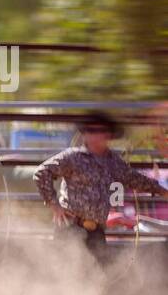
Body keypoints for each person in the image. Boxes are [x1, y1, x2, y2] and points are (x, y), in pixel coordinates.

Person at [33, 112, 168, 261]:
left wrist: (162, 190)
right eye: (90, 130)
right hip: (71, 227)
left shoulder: (113, 162)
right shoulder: (73, 157)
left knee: (96, 275)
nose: (96, 135)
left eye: (100, 131)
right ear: (84, 134)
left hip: (95, 231)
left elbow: (134, 179)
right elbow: (42, 173)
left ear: (108, 135)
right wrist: (54, 204)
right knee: (66, 271)